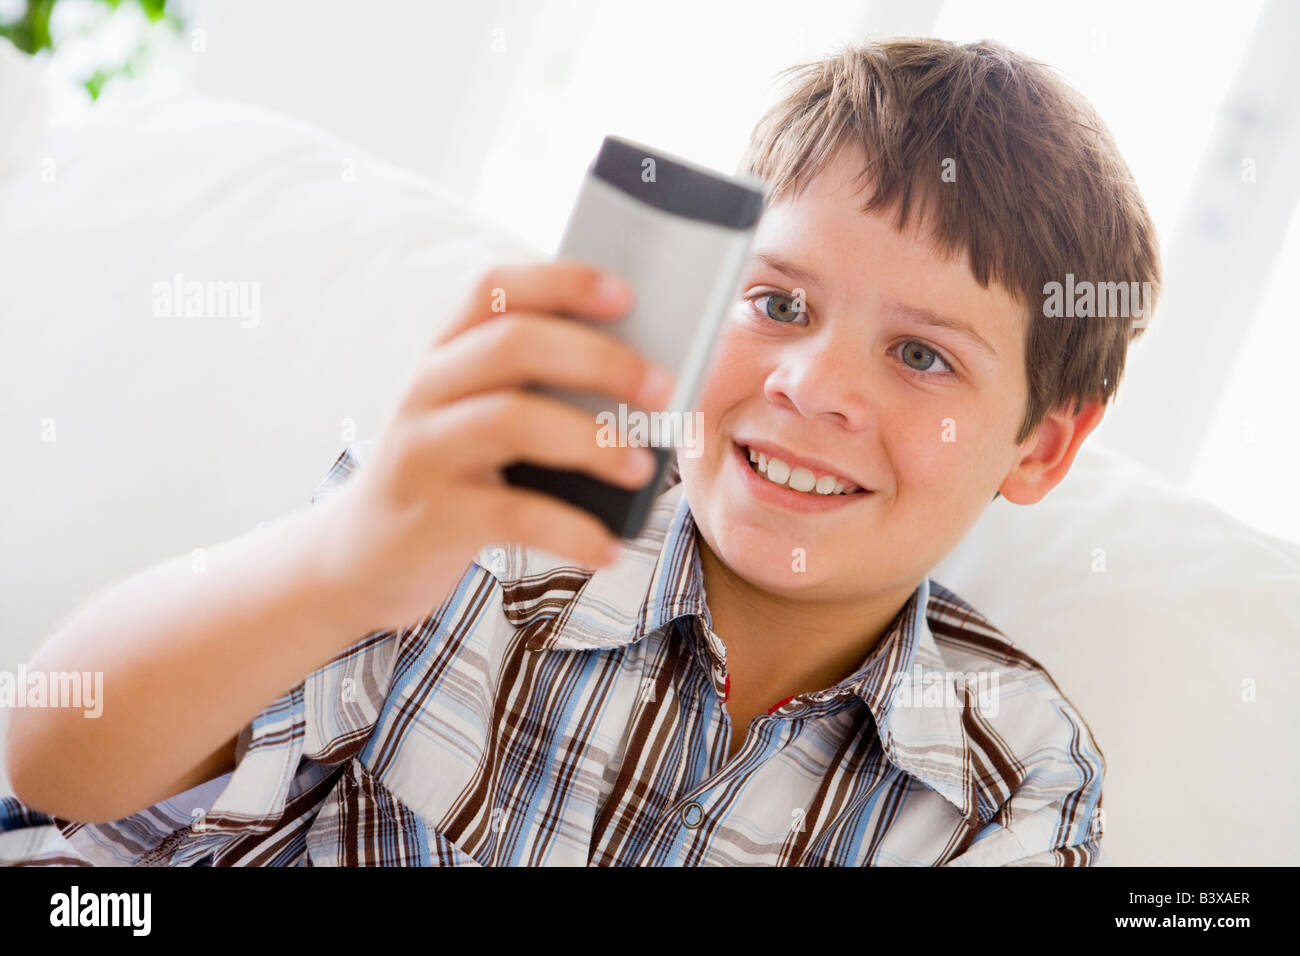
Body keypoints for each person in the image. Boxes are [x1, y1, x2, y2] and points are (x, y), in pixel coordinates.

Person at [2, 36, 1158, 866]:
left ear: (1044, 445)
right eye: (781, 305)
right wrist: (345, 561)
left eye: (920, 356)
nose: (812, 386)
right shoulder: (481, 517)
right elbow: (50, 759)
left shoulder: (1006, 779)